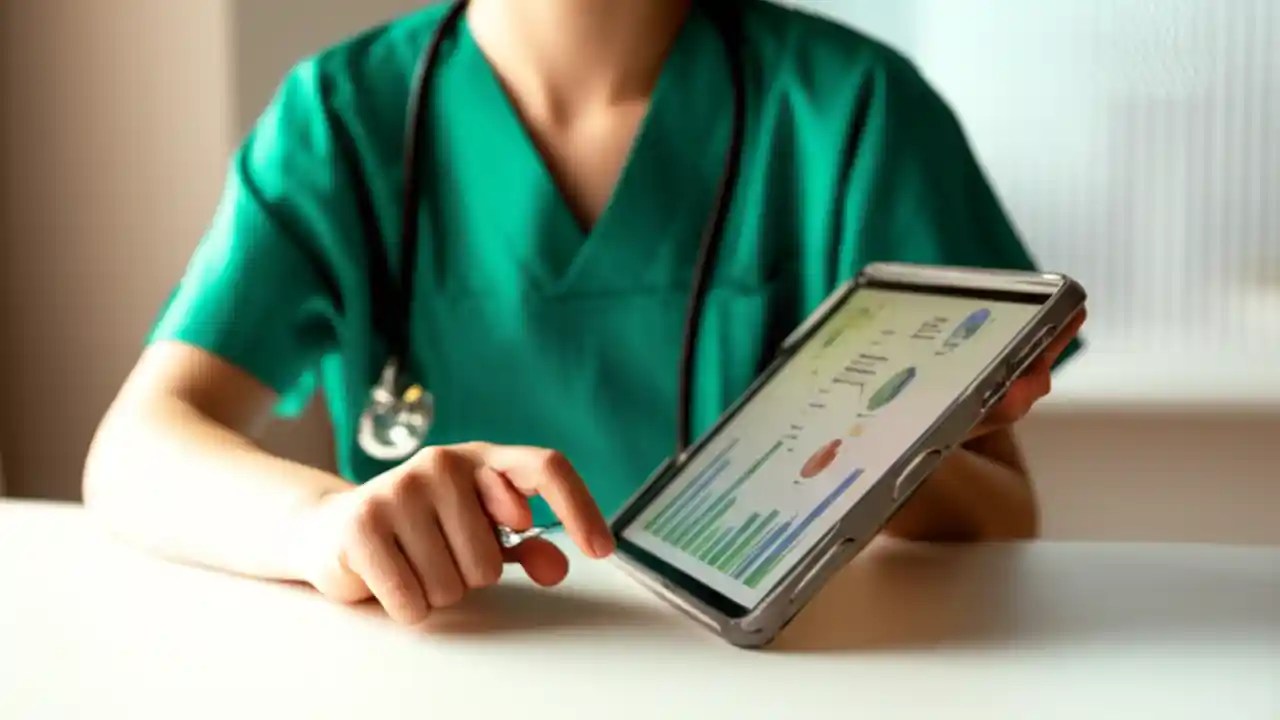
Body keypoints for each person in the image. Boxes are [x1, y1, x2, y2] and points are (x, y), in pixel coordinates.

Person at [83, 0, 1084, 626]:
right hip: (444, 671)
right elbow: (135, 454)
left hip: (782, 688)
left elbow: (1006, 512)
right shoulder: (340, 117)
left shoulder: (853, 107)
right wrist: (323, 526)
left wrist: (885, 470)